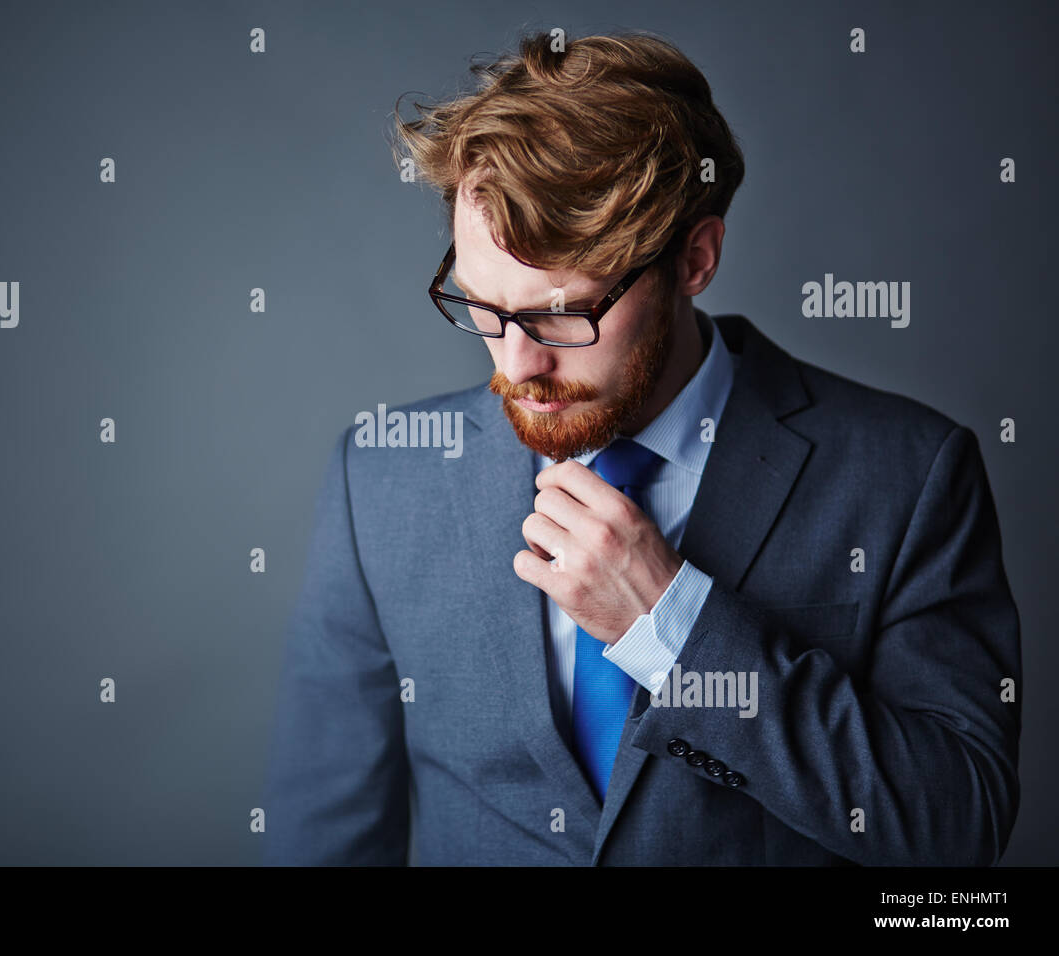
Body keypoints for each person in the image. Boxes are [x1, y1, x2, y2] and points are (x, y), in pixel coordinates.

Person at [262, 31, 1020, 865]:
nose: (517, 365)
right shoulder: (379, 480)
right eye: (482, 307)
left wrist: (674, 627)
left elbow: (959, 828)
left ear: (695, 258)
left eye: (565, 313)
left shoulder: (906, 474)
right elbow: (322, 836)